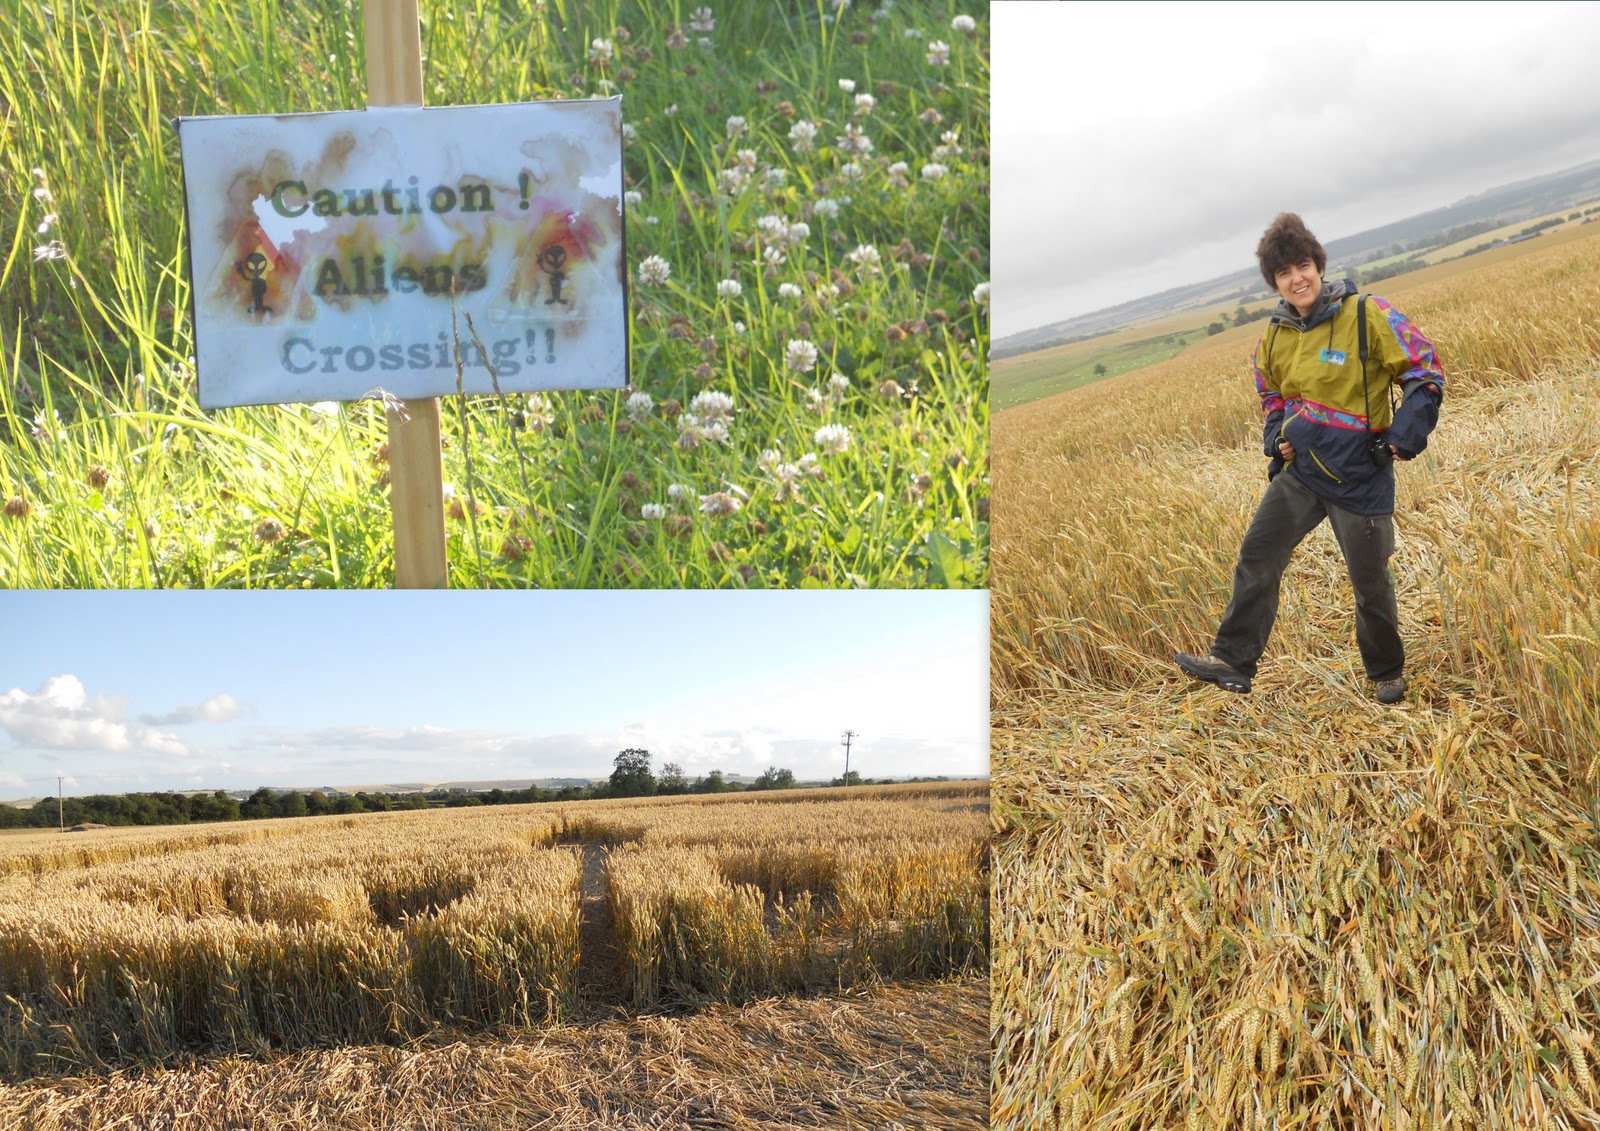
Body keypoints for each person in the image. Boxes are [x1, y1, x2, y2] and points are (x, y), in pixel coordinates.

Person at [1174, 213, 1444, 702]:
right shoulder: (1274, 335)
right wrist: (1275, 437)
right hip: (1301, 472)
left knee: (1370, 584)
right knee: (1258, 555)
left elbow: (1424, 373)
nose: (1295, 278)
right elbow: (1271, 393)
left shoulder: (1367, 313)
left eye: (1302, 265)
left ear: (1319, 266)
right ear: (1274, 282)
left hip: (1360, 475)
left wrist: (1401, 439)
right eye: (1283, 272)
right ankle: (1234, 661)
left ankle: (1385, 672)